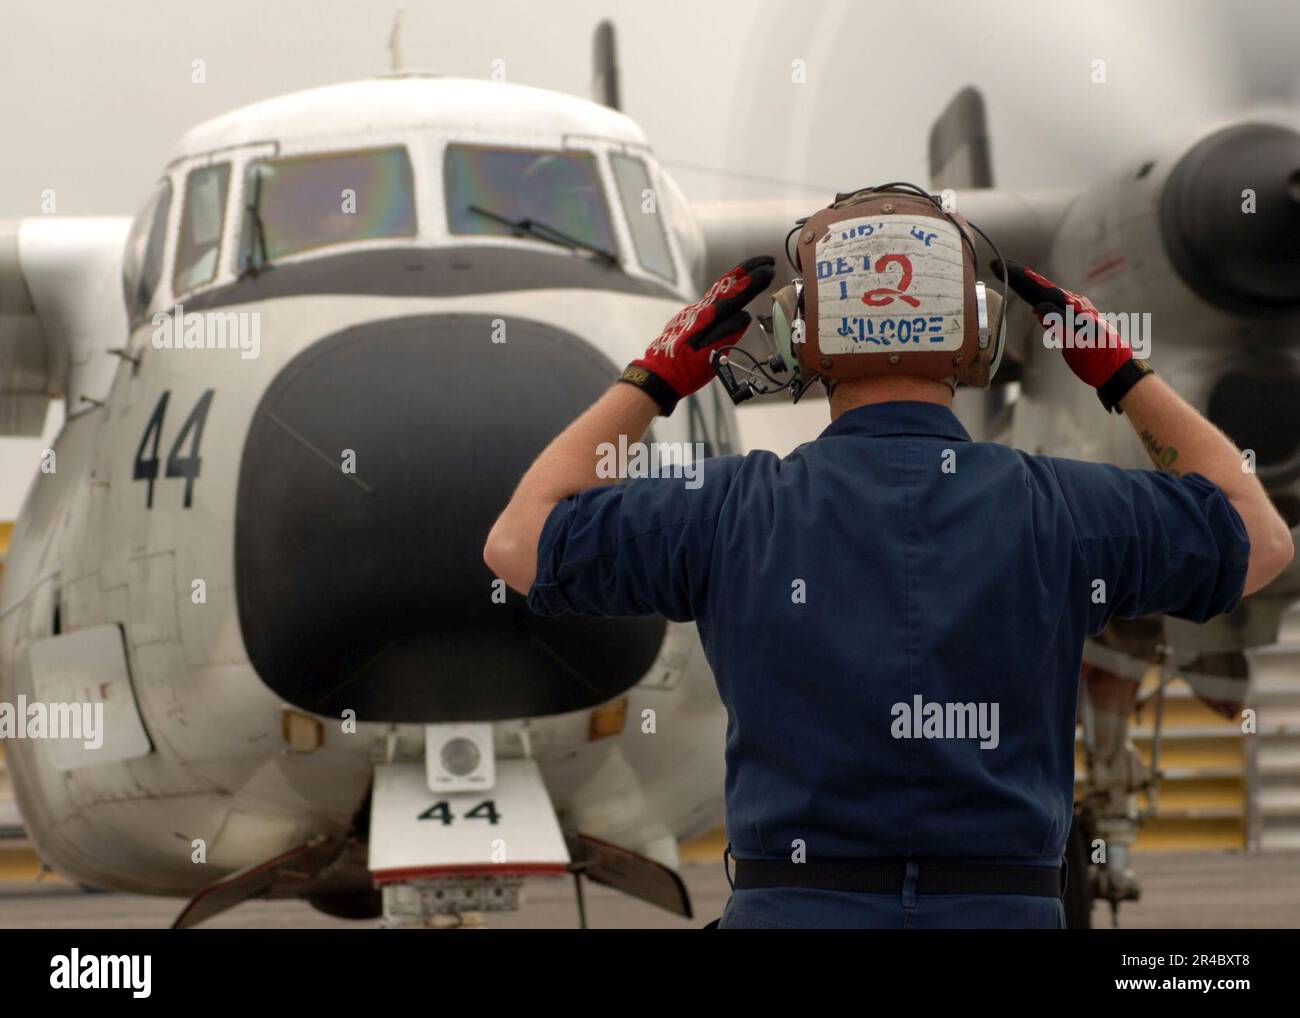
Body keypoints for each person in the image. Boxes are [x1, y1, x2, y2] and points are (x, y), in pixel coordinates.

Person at [483, 254, 1293, 929]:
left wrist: (654, 378)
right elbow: (1260, 540)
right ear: (976, 335)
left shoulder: (728, 508)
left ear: (803, 342)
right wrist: (1118, 370)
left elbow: (517, 544)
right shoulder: (1066, 509)